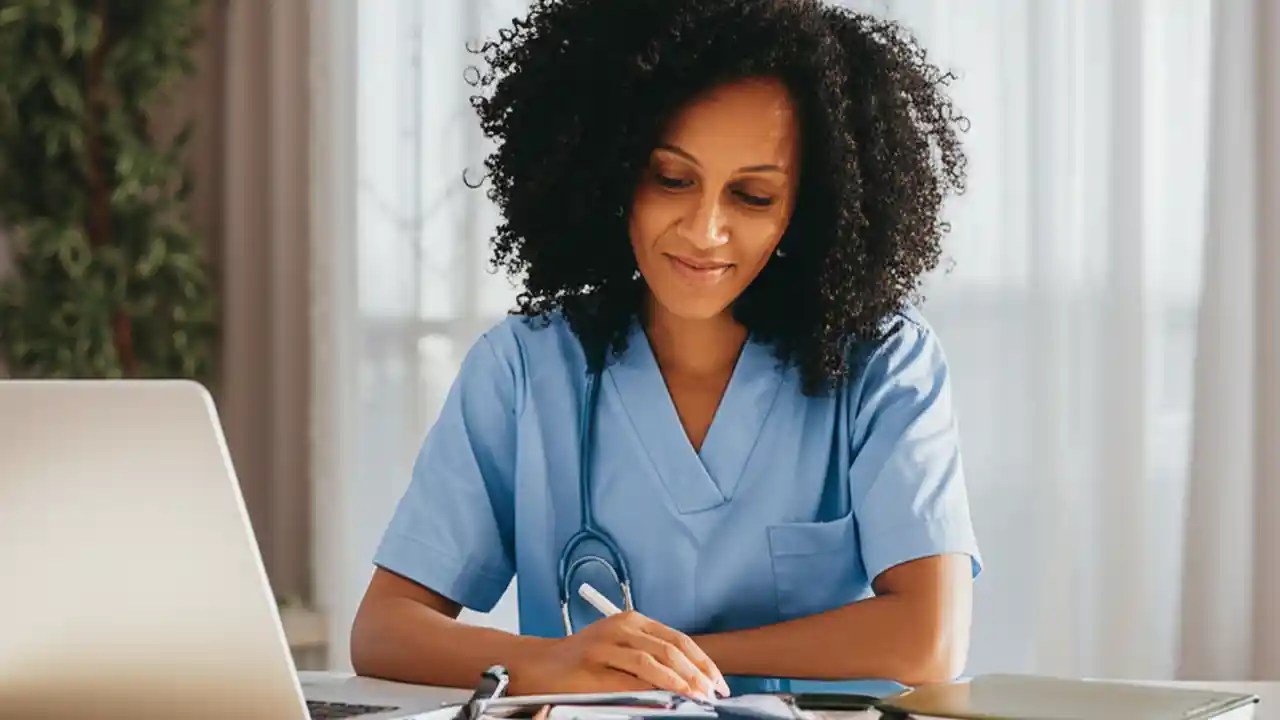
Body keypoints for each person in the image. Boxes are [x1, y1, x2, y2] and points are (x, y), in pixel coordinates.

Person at [351, 0, 981, 699]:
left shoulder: (883, 366)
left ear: (808, 205)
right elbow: (384, 631)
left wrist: (645, 665)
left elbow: (930, 640)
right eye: (672, 180)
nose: (704, 230)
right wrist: (554, 664)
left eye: (751, 196)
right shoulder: (524, 370)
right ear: (611, 170)